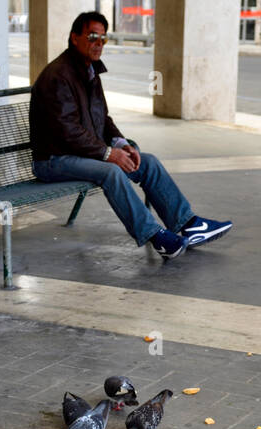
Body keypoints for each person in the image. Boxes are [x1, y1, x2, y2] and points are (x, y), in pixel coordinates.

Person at [30, 11, 232, 260]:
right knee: (111, 171)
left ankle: (188, 224)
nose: (98, 44)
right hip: (53, 160)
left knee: (147, 162)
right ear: (74, 37)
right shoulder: (58, 76)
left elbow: (103, 119)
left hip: (80, 155)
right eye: (92, 36)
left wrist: (121, 144)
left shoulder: (89, 71)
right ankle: (156, 237)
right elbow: (66, 131)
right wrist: (107, 154)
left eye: (103, 38)